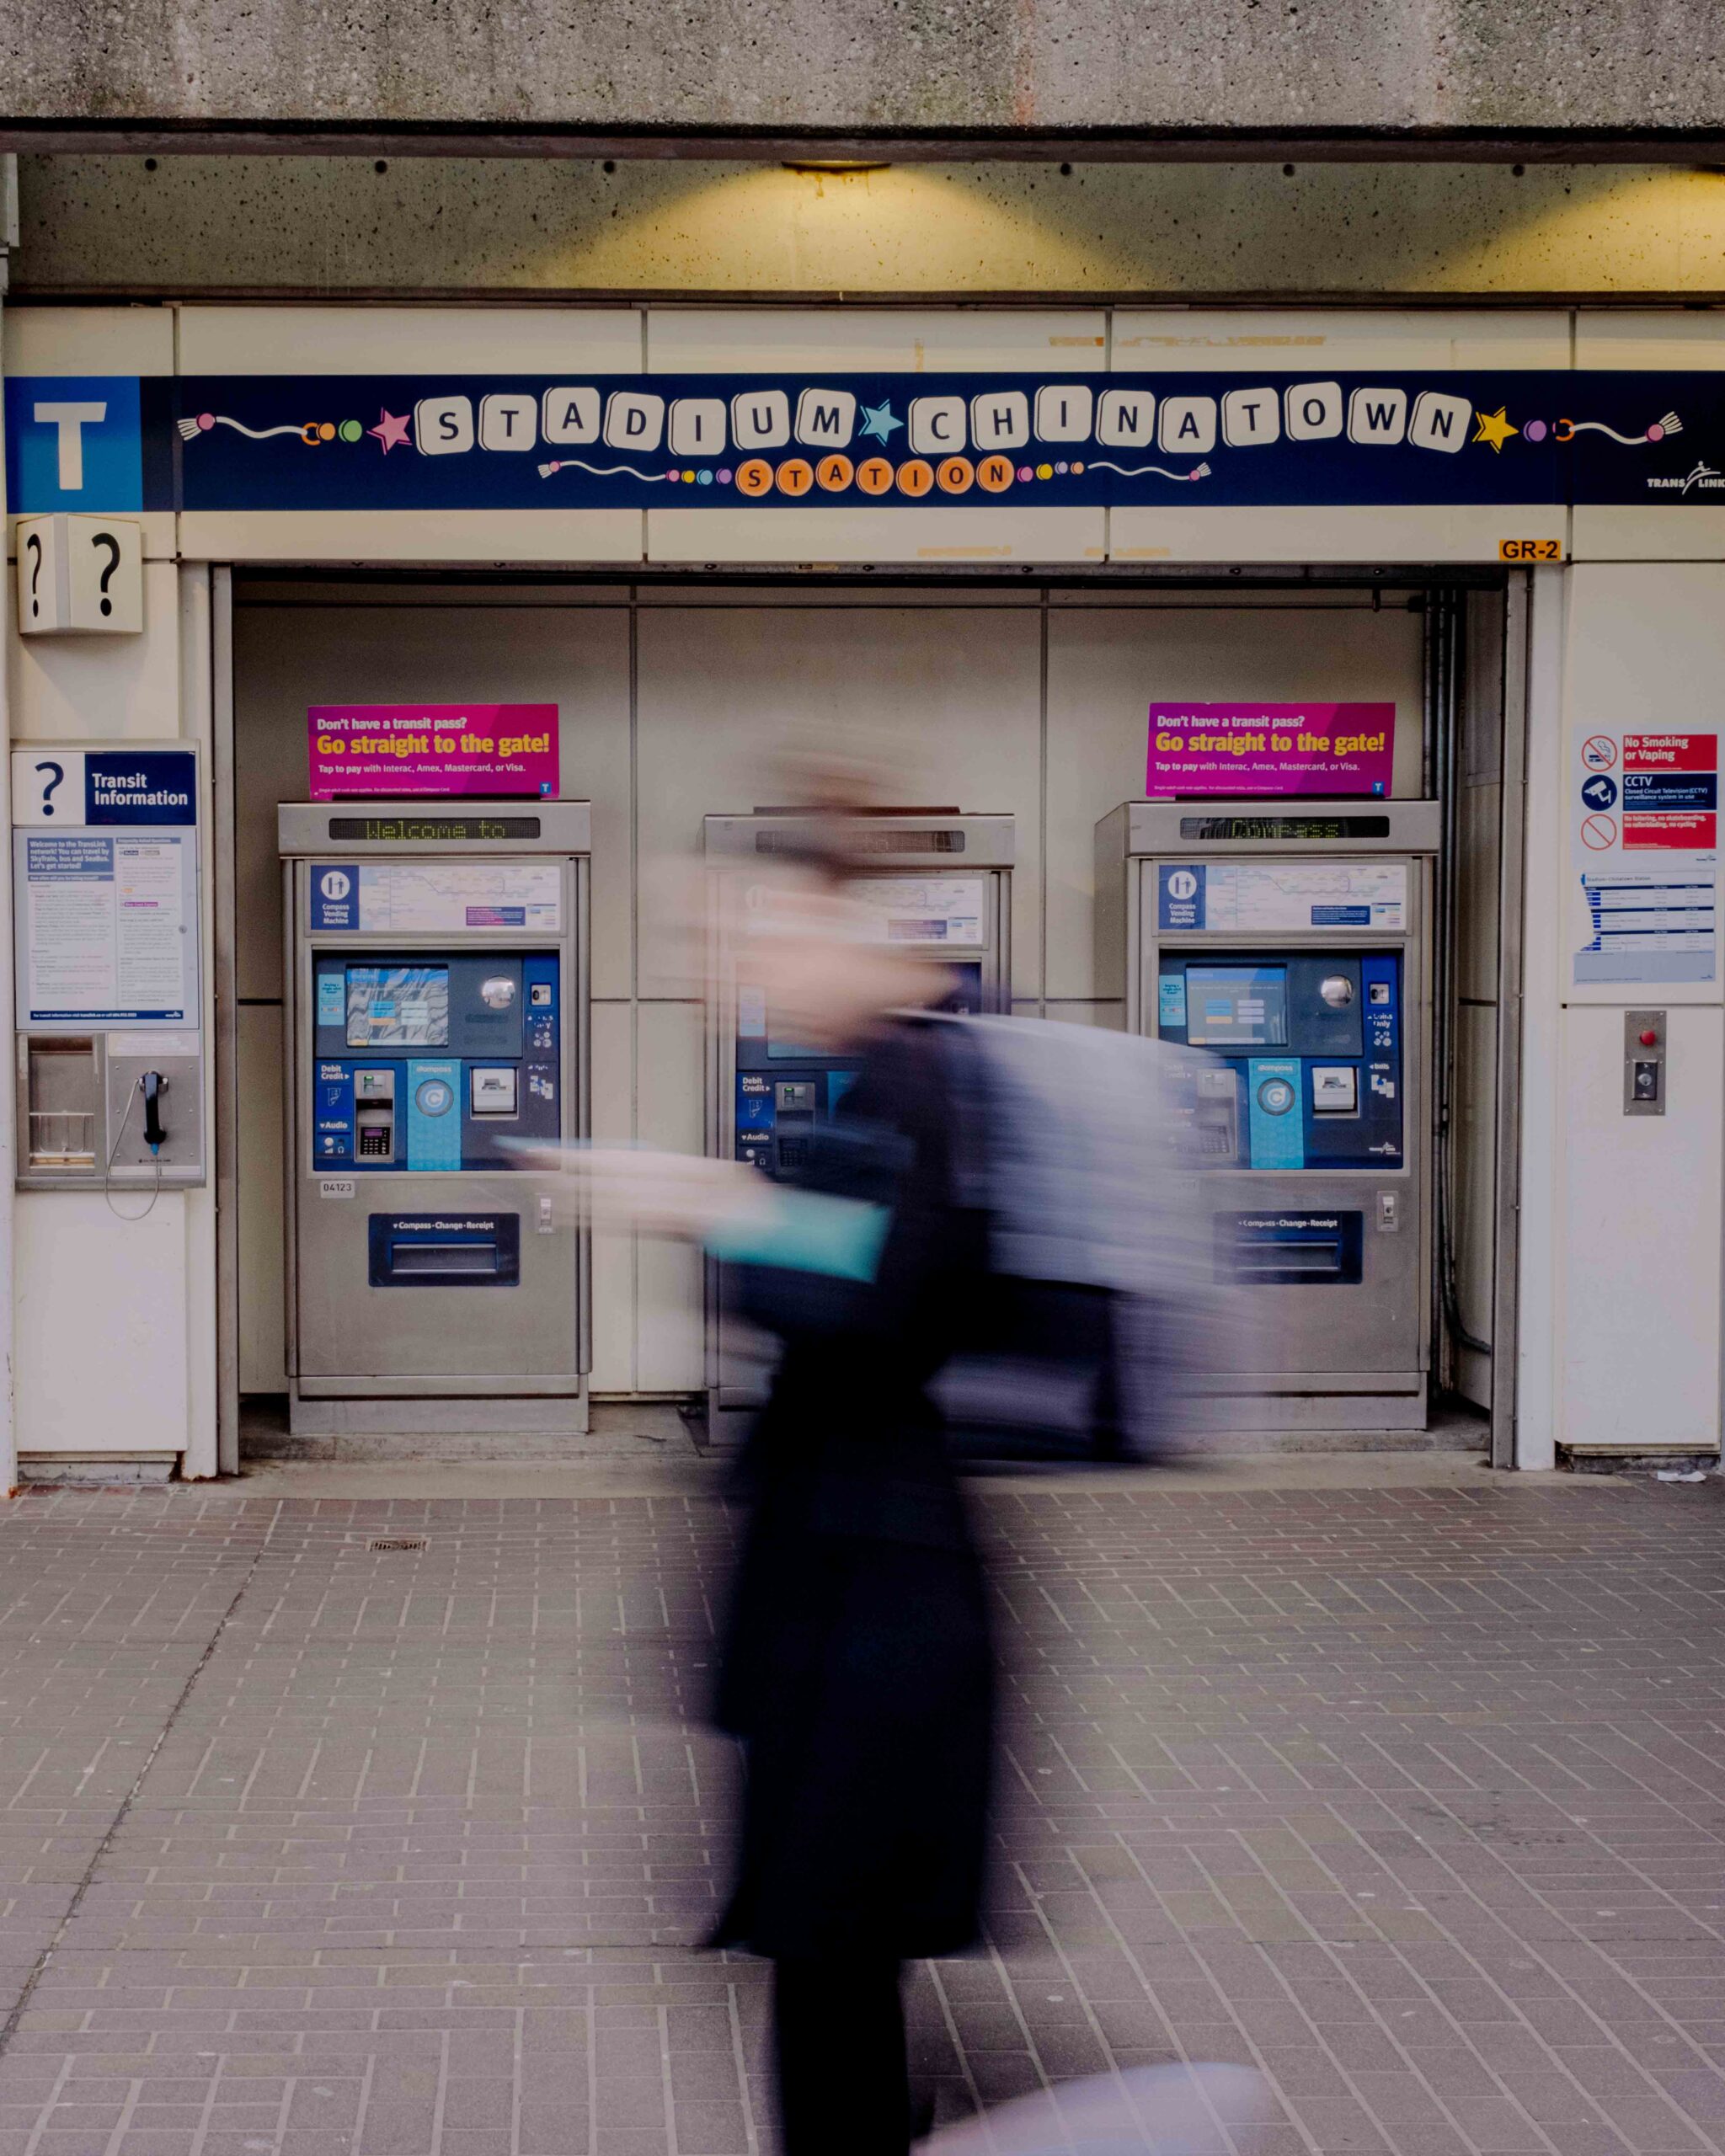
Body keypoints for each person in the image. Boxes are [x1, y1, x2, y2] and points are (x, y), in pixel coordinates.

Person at [563, 849, 996, 2155]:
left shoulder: (915, 1084)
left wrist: (716, 1207)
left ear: (845, 929)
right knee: (835, 1963)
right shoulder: (889, 1084)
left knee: (834, 1952)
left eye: (756, 941)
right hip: (851, 1586)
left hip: (877, 1606)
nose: (735, 974)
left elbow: (879, 1298)